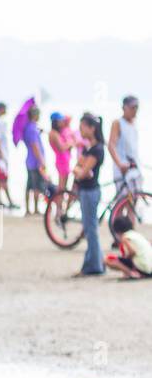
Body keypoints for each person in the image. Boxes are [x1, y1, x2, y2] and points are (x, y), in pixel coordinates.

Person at [73, 112, 106, 276]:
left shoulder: (96, 149)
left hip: (90, 191)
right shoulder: (91, 148)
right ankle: (98, 263)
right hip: (87, 190)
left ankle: (93, 266)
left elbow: (82, 172)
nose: (81, 131)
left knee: (90, 229)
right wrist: (80, 169)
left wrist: (80, 170)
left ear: (92, 128)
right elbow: (79, 169)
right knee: (90, 228)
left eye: (83, 127)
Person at [109, 95, 141, 198]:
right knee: (122, 201)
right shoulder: (118, 123)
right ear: (124, 108)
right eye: (132, 107)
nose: (135, 110)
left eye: (136, 107)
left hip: (134, 168)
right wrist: (119, 164)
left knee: (135, 200)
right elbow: (111, 145)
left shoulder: (134, 123)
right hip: (122, 169)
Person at [22, 105, 52, 215]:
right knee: (35, 186)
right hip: (35, 162)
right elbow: (34, 146)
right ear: (35, 115)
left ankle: (29, 209)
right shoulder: (31, 129)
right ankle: (34, 209)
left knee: (30, 185)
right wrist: (42, 161)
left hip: (30, 161)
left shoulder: (30, 127)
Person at [105, 214, 152, 278]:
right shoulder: (136, 235)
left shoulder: (125, 237)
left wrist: (125, 258)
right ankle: (134, 272)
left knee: (108, 260)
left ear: (117, 231)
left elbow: (132, 252)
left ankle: (131, 273)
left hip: (144, 268)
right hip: (150, 269)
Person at [0, 103, 17, 209]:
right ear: (0, 109)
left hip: (0, 153)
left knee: (0, 178)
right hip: (0, 154)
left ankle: (0, 200)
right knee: (3, 178)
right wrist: (0, 153)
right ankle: (7, 200)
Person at [49, 113, 77, 195]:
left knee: (63, 186)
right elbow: (61, 148)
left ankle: (60, 204)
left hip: (64, 160)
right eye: (61, 121)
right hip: (61, 161)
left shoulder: (58, 132)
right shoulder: (54, 133)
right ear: (56, 122)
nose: (63, 122)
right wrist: (70, 143)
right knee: (61, 187)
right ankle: (59, 205)